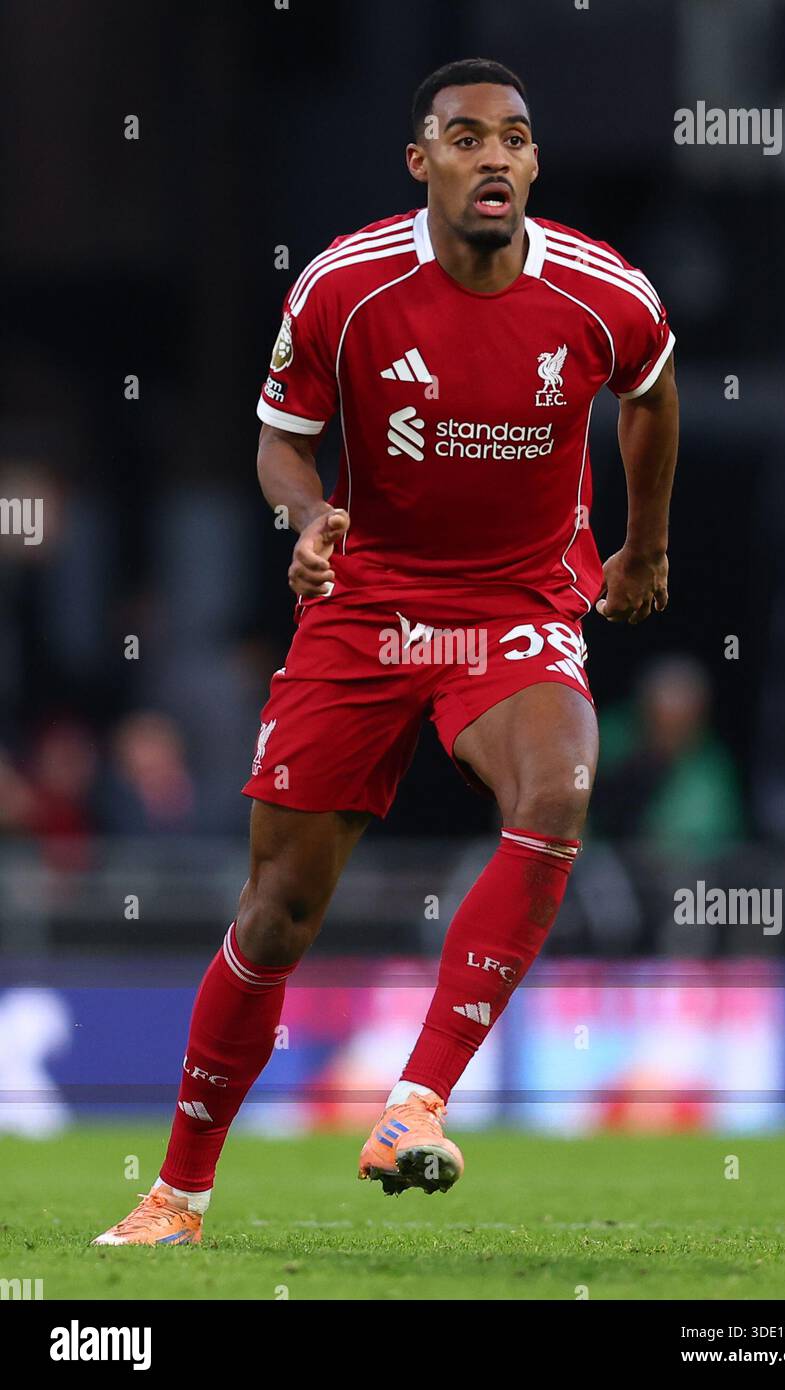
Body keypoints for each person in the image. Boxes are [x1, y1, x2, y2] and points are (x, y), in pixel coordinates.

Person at [93, 56, 679, 1246]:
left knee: (558, 791)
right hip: (368, 606)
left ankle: (414, 1103)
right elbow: (279, 443)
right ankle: (177, 1196)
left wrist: (642, 550)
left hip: (514, 601)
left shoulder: (600, 292)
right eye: (464, 138)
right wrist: (306, 520)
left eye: (513, 138)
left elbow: (652, 393)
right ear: (421, 163)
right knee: (278, 911)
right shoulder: (343, 288)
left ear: (531, 162)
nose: (494, 158)